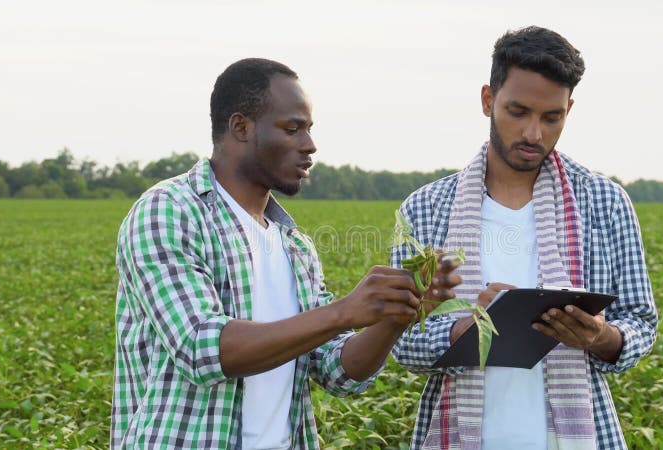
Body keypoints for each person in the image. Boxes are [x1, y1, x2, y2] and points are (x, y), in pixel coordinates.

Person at [110, 58, 461, 449]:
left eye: (309, 129)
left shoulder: (294, 245)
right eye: (292, 129)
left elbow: (338, 372)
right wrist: (344, 311)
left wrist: (396, 314)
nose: (309, 145)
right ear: (241, 127)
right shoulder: (170, 210)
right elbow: (201, 347)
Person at [391, 26, 658, 450]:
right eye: (518, 111)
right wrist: (470, 331)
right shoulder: (425, 210)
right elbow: (401, 339)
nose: (534, 133)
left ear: (569, 108)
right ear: (487, 100)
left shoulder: (605, 203)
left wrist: (598, 336)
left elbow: (640, 322)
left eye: (552, 117)